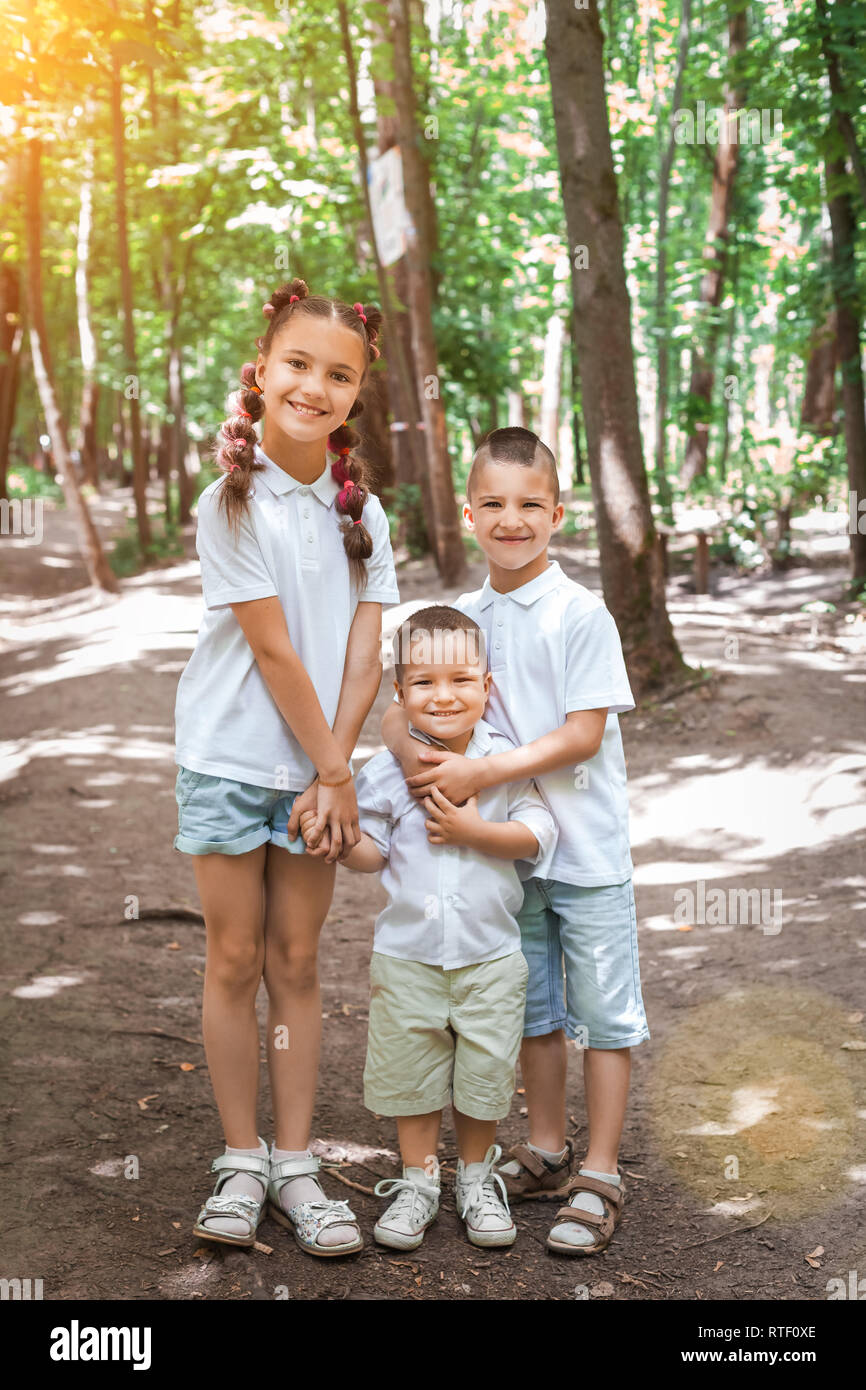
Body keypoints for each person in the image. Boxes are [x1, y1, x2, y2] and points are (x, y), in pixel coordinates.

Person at [173, 278, 400, 1257]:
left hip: (319, 773)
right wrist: (333, 771)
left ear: (356, 393)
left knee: (298, 962)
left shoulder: (365, 514)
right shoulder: (227, 499)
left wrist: (333, 770)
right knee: (232, 958)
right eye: (297, 364)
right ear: (261, 372)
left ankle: (297, 1163)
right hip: (230, 762)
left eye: (337, 374)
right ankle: (239, 1160)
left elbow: (363, 651)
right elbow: (270, 653)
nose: (314, 385)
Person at [382, 427, 650, 1257]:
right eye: (493, 504)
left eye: (529, 504)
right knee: (534, 1009)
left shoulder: (579, 612)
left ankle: (599, 1172)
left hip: (588, 848)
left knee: (603, 1015)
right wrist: (419, 760)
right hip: (502, 852)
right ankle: (543, 1147)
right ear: (468, 514)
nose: (511, 519)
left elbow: (580, 735)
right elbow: (397, 708)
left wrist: (471, 780)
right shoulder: (460, 618)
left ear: (557, 514)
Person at [302, 606, 556, 1250]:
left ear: (486, 687)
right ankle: (418, 1181)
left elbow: (538, 833)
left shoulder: (501, 762)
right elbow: (374, 855)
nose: (443, 696)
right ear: (399, 692)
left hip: (490, 957)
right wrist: (340, 838)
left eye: (461, 680)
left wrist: (477, 832)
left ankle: (476, 1179)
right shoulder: (387, 770)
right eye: (424, 683)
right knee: (411, 1075)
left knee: (483, 1072)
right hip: (408, 955)